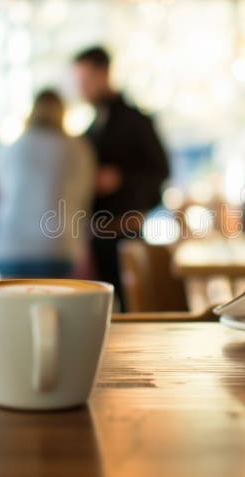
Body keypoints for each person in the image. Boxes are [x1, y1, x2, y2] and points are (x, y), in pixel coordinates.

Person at [74, 46, 169, 309]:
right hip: (95, 233)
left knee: (132, 308)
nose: (80, 89)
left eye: (85, 81)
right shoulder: (91, 126)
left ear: (103, 74)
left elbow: (161, 171)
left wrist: (120, 179)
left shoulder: (136, 121)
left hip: (126, 231)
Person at [0, 90, 95, 278]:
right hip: (56, 245)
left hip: (9, 243)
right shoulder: (77, 149)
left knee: (12, 305)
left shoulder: (12, 147)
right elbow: (83, 197)